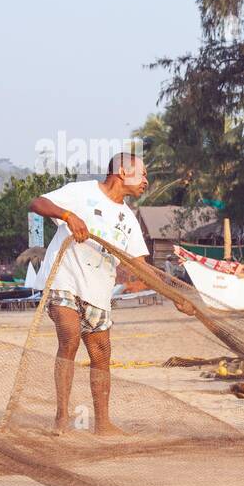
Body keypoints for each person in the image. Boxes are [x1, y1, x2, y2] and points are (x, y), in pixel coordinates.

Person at [29, 153, 155, 436]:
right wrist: (67, 216)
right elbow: (37, 203)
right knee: (70, 336)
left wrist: (176, 295)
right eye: (142, 174)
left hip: (98, 292)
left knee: (101, 357)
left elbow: (140, 266)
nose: (146, 180)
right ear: (122, 171)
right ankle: (62, 417)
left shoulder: (128, 219)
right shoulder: (81, 192)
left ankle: (103, 423)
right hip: (65, 279)